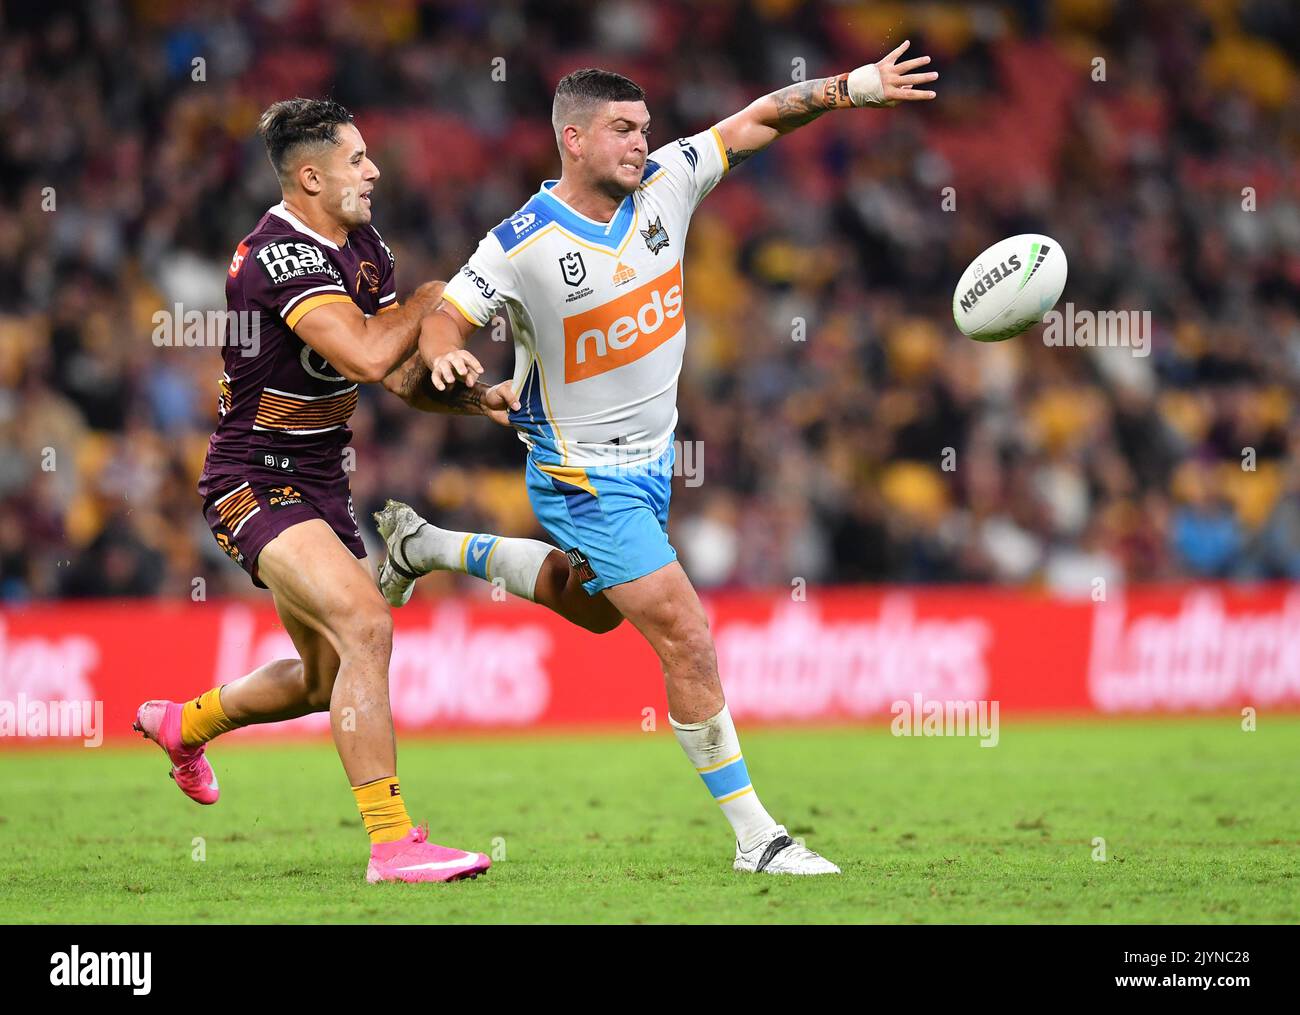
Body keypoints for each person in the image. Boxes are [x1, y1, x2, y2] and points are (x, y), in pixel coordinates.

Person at [376, 44, 937, 875]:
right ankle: (759, 838)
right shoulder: (520, 241)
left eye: (646, 128)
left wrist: (848, 88)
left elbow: (759, 119)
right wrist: (451, 354)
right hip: (579, 473)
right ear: (573, 137)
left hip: (650, 467)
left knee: (597, 607)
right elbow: (446, 317)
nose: (643, 143)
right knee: (685, 630)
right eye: (623, 130)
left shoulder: (670, 182)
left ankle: (426, 546)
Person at [133, 98, 518, 884]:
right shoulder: (278, 257)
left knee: (322, 676)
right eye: (358, 160)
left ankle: (185, 724)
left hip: (318, 483)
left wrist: (475, 396)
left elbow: (401, 375)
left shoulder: (364, 245)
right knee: (367, 627)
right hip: (253, 479)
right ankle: (393, 844)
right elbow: (369, 356)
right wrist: (435, 299)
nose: (374, 171)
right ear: (311, 176)